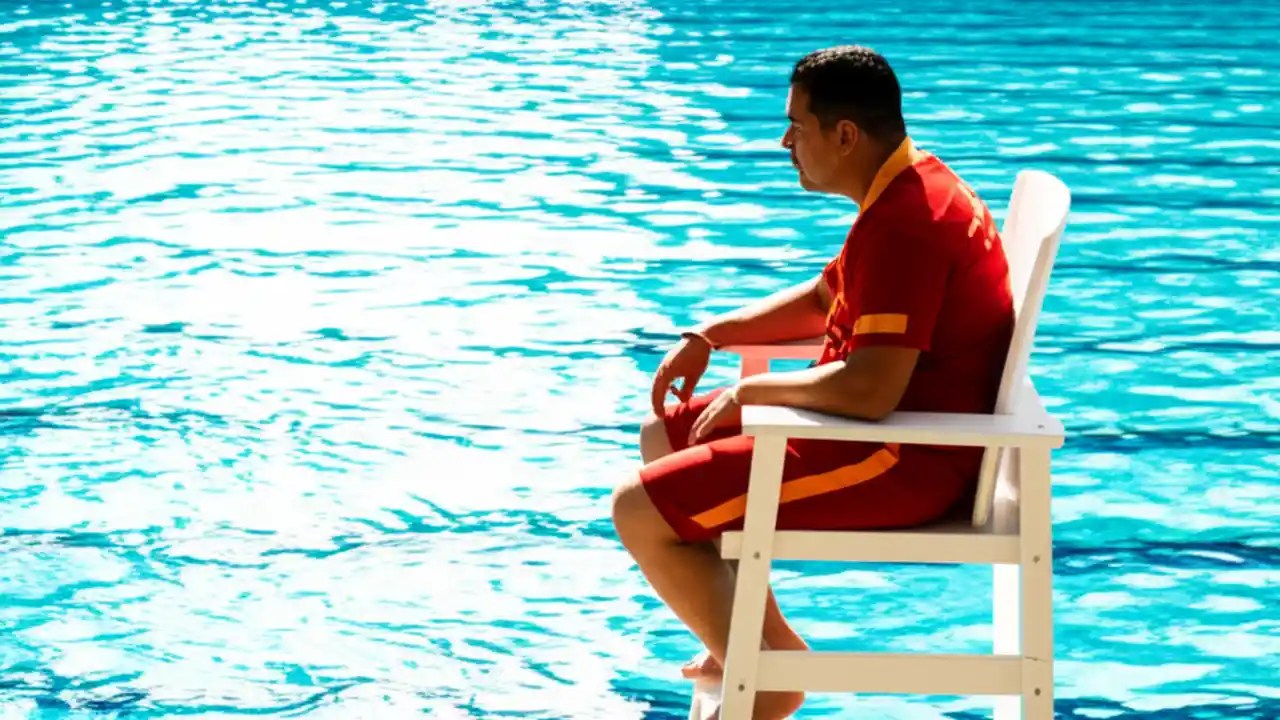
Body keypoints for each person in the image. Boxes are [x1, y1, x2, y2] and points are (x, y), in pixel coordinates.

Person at [610, 44, 1014, 719]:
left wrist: (754, 392)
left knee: (636, 512)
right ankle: (756, 645)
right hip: (873, 431)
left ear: (845, 135)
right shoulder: (913, 184)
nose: (784, 140)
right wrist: (713, 334)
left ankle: (766, 677)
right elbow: (829, 299)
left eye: (797, 126)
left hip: (901, 458)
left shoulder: (907, 225)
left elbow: (872, 389)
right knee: (664, 434)